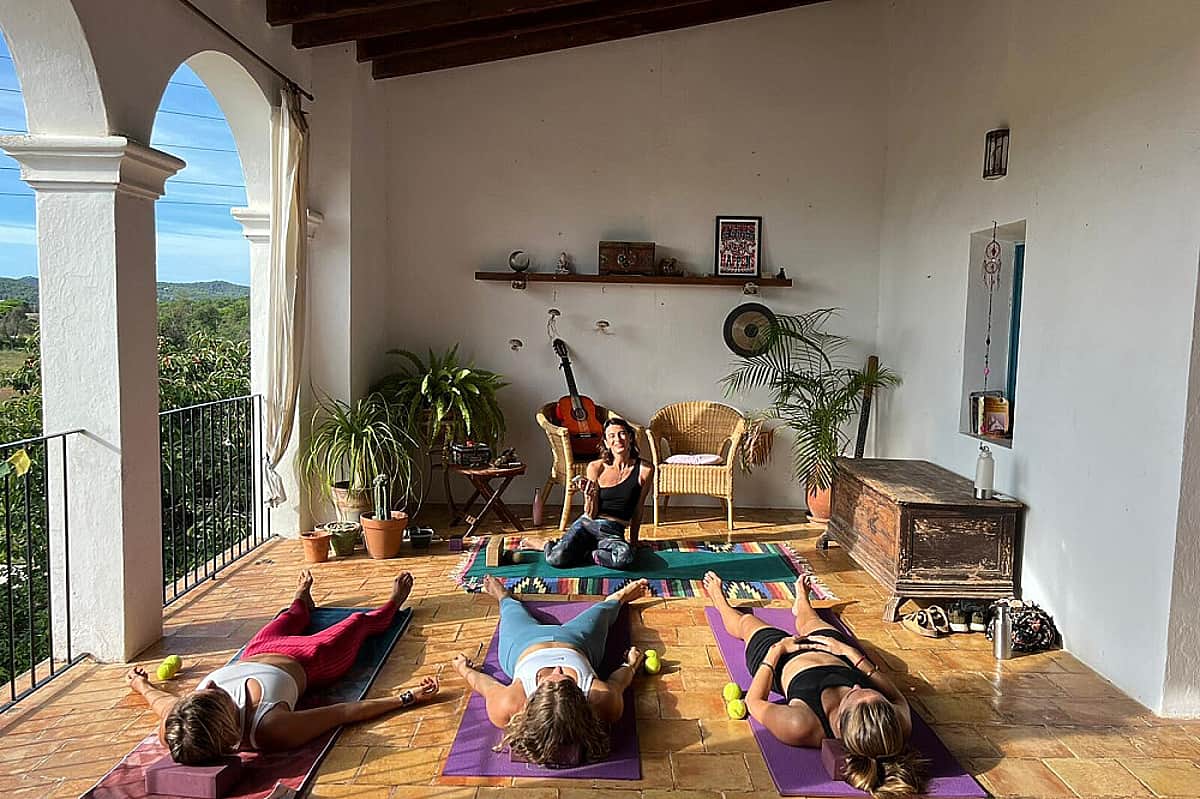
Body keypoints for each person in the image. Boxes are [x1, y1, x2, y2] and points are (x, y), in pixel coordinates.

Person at [126, 570, 438, 765]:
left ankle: (301, 598)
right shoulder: (269, 728)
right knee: (357, 623)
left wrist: (140, 684)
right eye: (214, 695)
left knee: (289, 618)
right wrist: (407, 698)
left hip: (257, 649)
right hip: (313, 659)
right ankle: (393, 603)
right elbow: (342, 713)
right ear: (224, 722)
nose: (208, 685)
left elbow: (162, 704)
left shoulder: (182, 723)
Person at [703, 571, 925, 798]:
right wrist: (852, 654)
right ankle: (801, 602)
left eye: (852, 696)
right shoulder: (896, 723)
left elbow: (753, 701)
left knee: (747, 622)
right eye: (867, 690)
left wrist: (776, 651)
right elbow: (898, 698)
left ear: (842, 726)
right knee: (811, 621)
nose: (857, 687)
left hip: (781, 660)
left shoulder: (801, 724)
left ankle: (718, 600)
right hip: (837, 652)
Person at [451, 574, 648, 766]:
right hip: (578, 642)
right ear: (583, 702)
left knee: (510, 608)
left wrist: (464, 670)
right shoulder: (602, 700)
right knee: (603, 611)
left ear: (531, 701)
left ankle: (503, 596)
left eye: (551, 677)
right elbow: (618, 683)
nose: (558, 669)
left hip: (522, 643)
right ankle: (617, 598)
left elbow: (486, 685)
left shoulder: (508, 704)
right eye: (566, 678)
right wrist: (630, 664)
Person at [543, 417, 653, 570]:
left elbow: (638, 508)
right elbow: (590, 513)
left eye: (622, 434)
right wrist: (589, 496)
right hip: (587, 524)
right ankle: (548, 544)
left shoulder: (645, 470)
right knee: (556, 559)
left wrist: (634, 542)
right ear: (607, 443)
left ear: (630, 437)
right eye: (612, 436)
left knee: (625, 558)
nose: (618, 439)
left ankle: (588, 554)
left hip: (613, 531)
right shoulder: (595, 467)